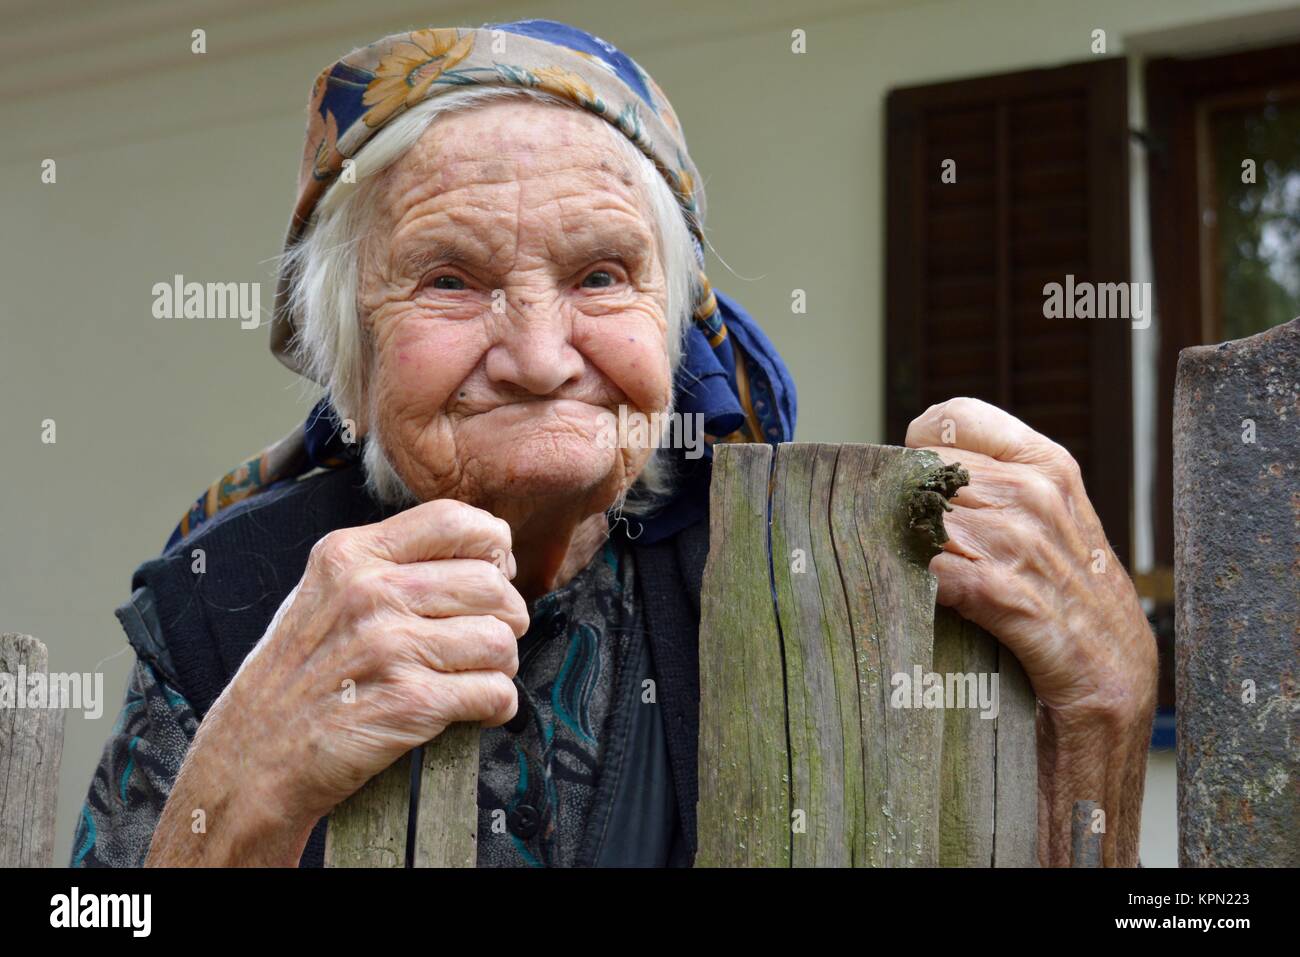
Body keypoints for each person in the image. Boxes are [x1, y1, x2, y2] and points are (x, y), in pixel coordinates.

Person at [73, 19, 1156, 868]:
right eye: (450, 280)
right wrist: (240, 790)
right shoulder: (222, 603)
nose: (540, 356)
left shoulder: (820, 577)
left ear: (674, 322)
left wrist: (1106, 707)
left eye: (599, 275)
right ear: (348, 364)